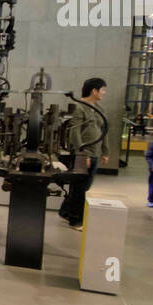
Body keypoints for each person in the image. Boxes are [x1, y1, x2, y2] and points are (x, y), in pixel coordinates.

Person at [58, 77, 108, 231]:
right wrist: (82, 153)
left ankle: (66, 211)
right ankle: (75, 220)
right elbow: (75, 133)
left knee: (84, 186)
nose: (104, 93)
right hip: (84, 155)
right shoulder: (80, 108)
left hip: (95, 153)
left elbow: (104, 130)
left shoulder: (99, 109)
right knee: (79, 189)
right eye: (103, 90)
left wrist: (105, 151)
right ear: (94, 90)